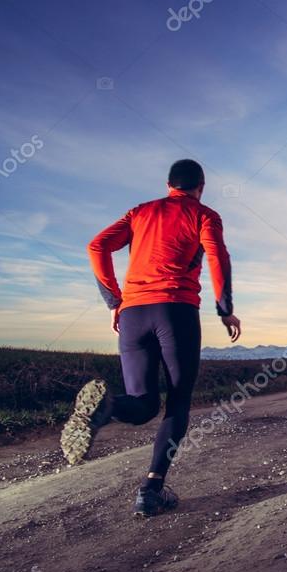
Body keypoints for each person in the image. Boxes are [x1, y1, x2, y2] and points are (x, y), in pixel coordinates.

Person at [61, 159, 242, 517]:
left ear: (168, 185)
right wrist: (225, 309)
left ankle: (107, 407)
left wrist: (115, 300)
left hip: (133, 315)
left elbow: (96, 247)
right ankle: (151, 489)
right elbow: (218, 257)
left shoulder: (140, 212)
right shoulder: (205, 215)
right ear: (200, 187)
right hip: (176, 312)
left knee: (142, 403)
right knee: (177, 402)